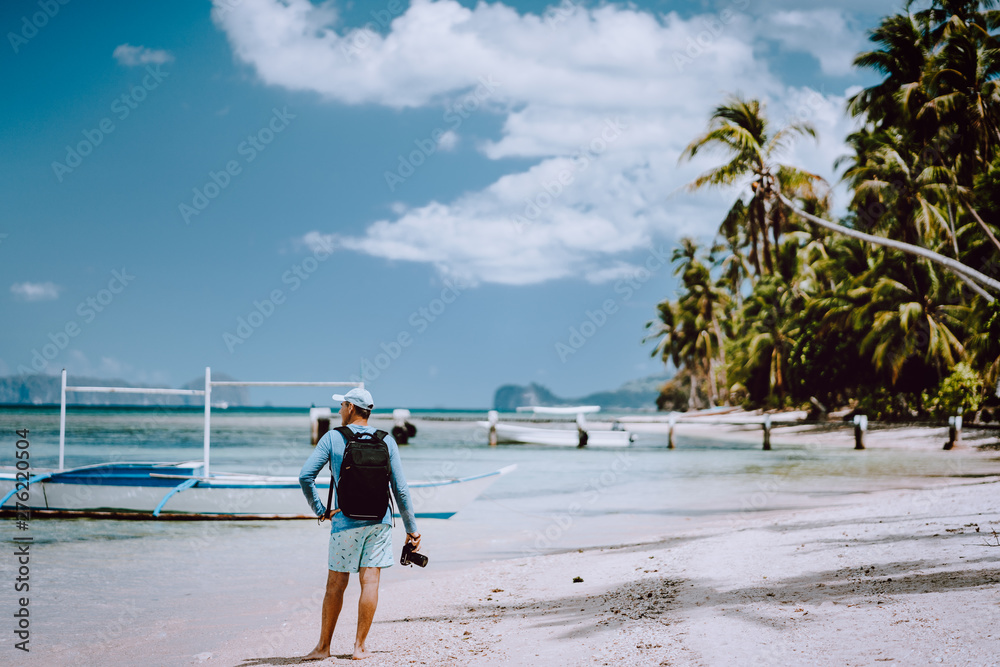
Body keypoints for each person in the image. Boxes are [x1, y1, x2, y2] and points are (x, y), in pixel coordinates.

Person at [298, 387, 421, 661]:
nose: (339, 410)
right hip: (380, 521)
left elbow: (305, 476)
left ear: (351, 408)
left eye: (342, 405)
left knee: (335, 585)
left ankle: (323, 648)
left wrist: (321, 510)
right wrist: (411, 529)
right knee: (370, 583)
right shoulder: (386, 440)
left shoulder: (332, 438)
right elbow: (400, 490)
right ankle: (359, 647)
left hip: (345, 523)